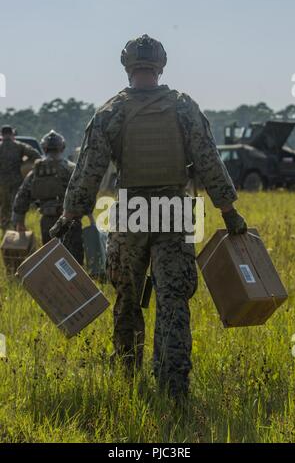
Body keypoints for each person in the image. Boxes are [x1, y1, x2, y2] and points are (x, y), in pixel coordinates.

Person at [50, 34, 247, 400]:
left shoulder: (111, 111)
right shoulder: (184, 107)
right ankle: (173, 387)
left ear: (127, 66)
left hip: (130, 214)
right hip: (174, 211)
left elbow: (90, 170)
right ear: (161, 65)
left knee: (127, 295)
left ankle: (127, 374)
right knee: (173, 300)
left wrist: (70, 214)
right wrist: (228, 210)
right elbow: (208, 161)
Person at [12, 130, 84, 264]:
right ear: (62, 148)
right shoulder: (71, 168)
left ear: (44, 148)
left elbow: (22, 195)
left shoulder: (37, 171)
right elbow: (83, 193)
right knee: (74, 261)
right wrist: (88, 214)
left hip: (47, 221)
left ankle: (53, 283)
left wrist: (19, 221)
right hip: (70, 220)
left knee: (52, 259)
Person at [0, 125, 40, 230]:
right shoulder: (19, 146)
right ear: (12, 134)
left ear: (2, 135)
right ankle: (16, 229)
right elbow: (36, 155)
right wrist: (24, 163)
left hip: (2, 183)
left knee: (4, 207)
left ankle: (4, 231)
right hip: (16, 181)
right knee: (15, 205)